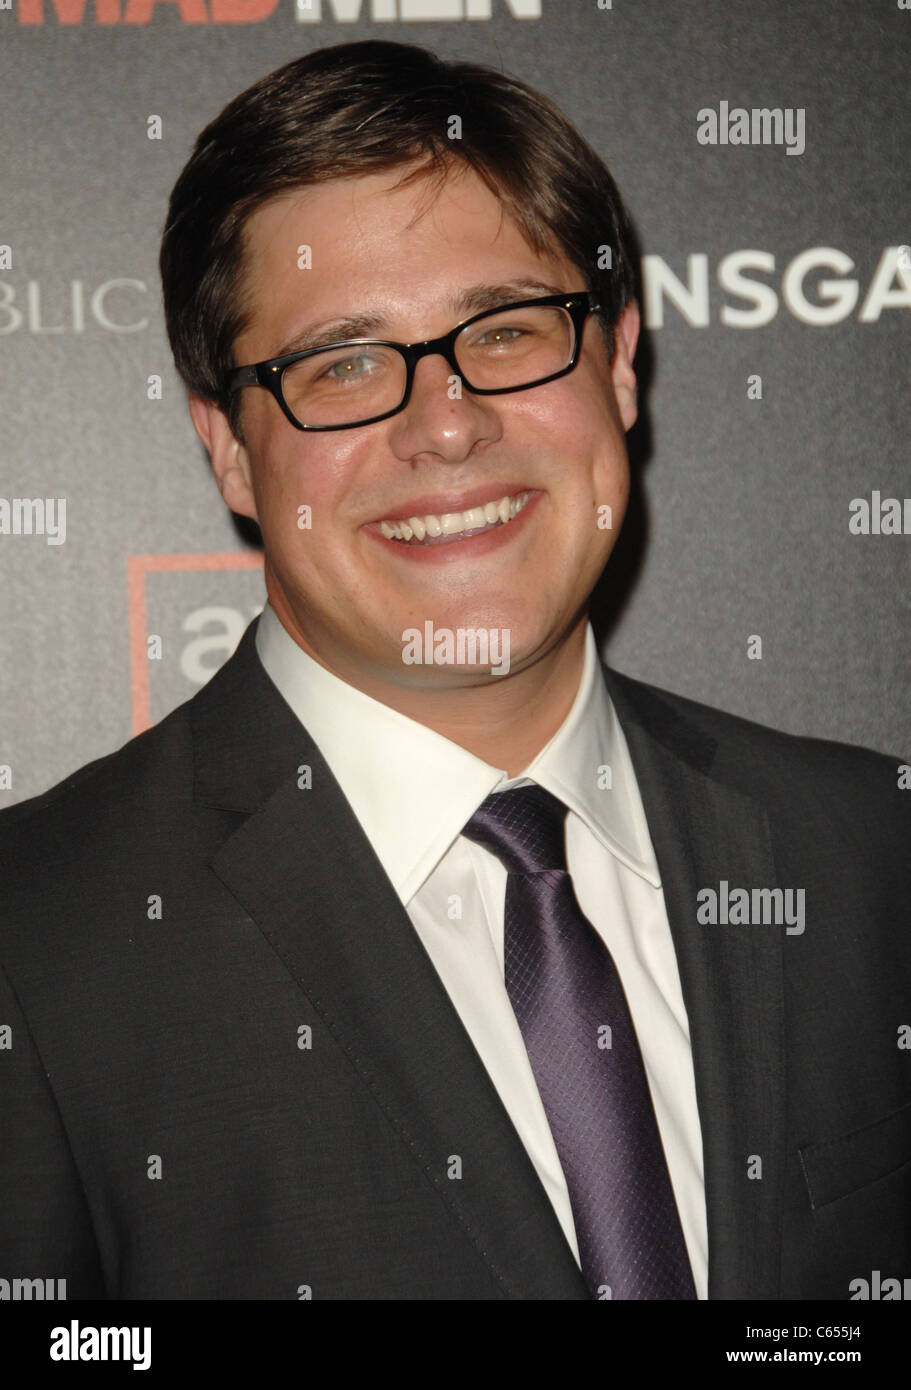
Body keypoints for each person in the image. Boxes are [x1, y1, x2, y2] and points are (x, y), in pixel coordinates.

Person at [1, 39, 908, 1303]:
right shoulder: (35, 947)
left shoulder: (871, 856)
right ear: (226, 449)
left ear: (619, 362)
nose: (447, 422)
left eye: (508, 329)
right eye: (344, 364)